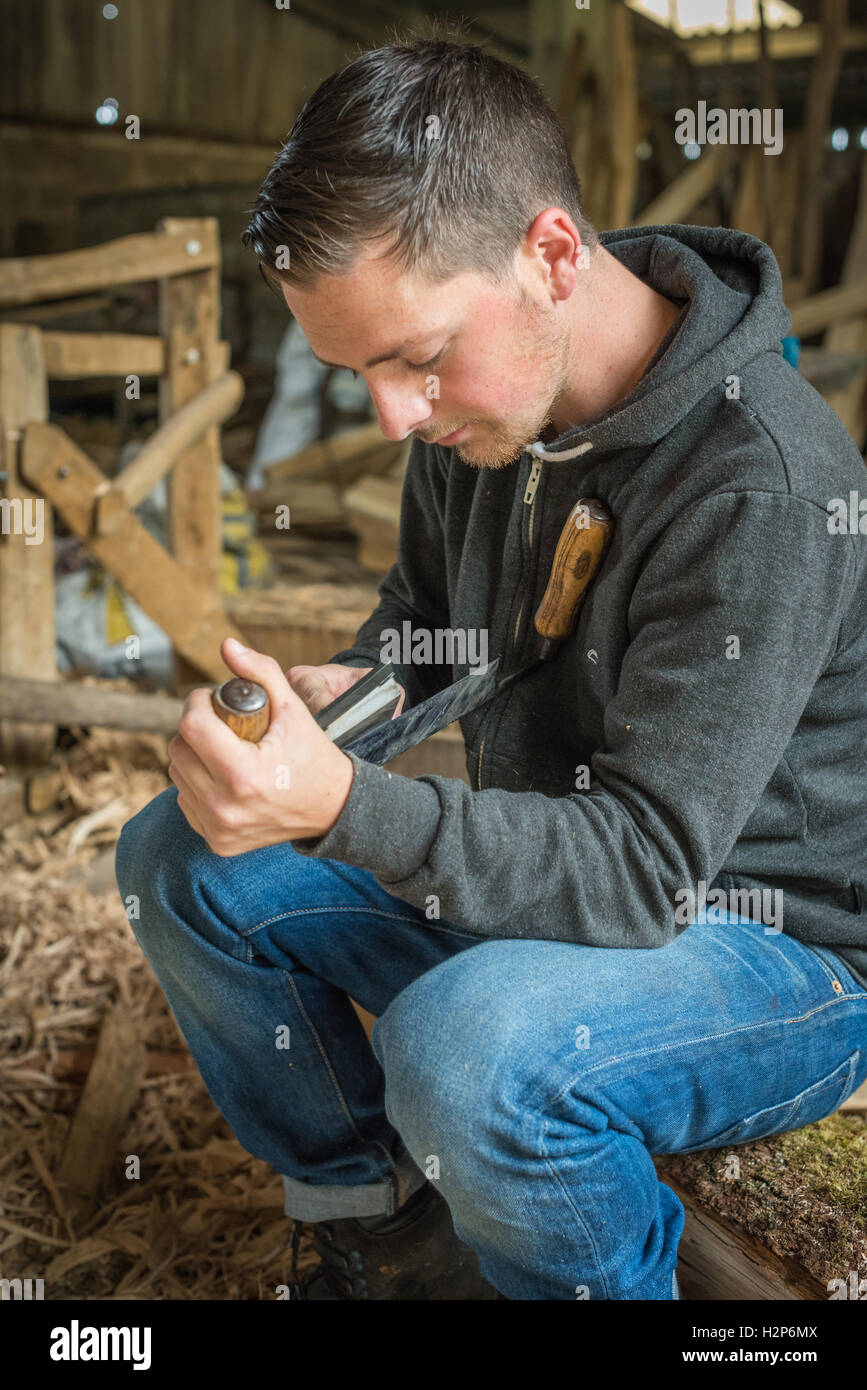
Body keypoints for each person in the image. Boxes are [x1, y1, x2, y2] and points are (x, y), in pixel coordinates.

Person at [115, 35, 867, 1300]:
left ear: (555, 255)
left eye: (411, 359)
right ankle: (388, 1240)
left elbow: (642, 871)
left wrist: (346, 805)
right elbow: (423, 621)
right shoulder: (481, 401)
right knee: (179, 864)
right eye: (358, 375)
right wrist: (343, 705)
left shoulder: (767, 483)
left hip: (771, 947)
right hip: (557, 875)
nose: (395, 416)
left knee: (468, 1054)